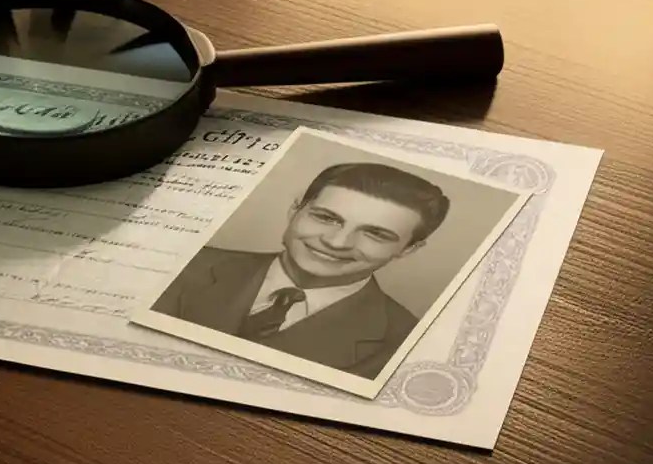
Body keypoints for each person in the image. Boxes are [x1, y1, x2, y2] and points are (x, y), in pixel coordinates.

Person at [151, 162, 450, 380]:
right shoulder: (188, 262)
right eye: (326, 218)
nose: (336, 242)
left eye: (375, 234)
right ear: (295, 211)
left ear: (408, 249)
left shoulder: (406, 345)